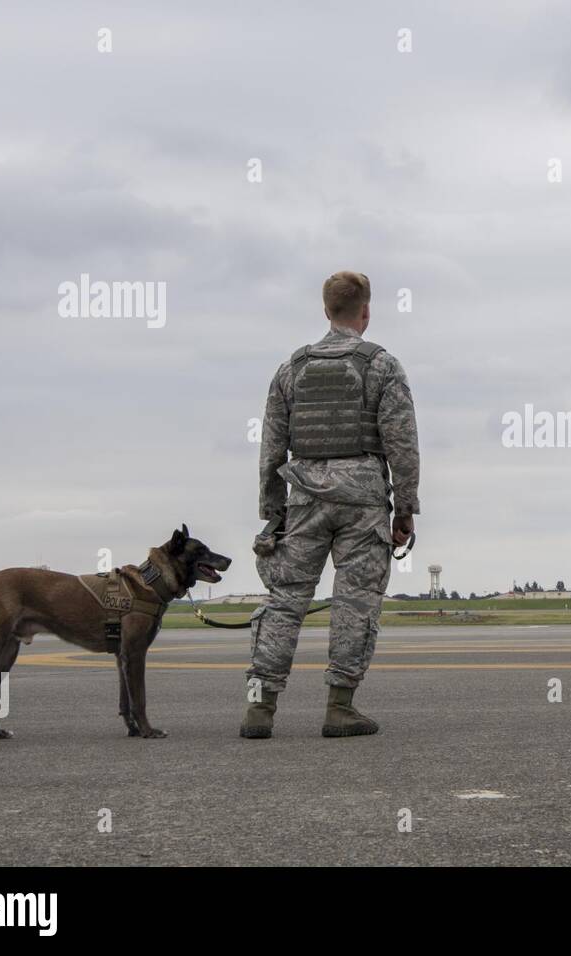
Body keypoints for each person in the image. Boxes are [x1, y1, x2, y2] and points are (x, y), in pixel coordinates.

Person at [241, 271, 419, 739]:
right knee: (354, 603)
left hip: (304, 496)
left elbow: (271, 449)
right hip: (362, 499)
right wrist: (406, 509)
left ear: (325, 311)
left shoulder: (291, 369)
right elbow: (402, 444)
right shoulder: (382, 365)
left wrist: (272, 514)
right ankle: (340, 708)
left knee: (284, 601)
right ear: (366, 311)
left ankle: (259, 711)